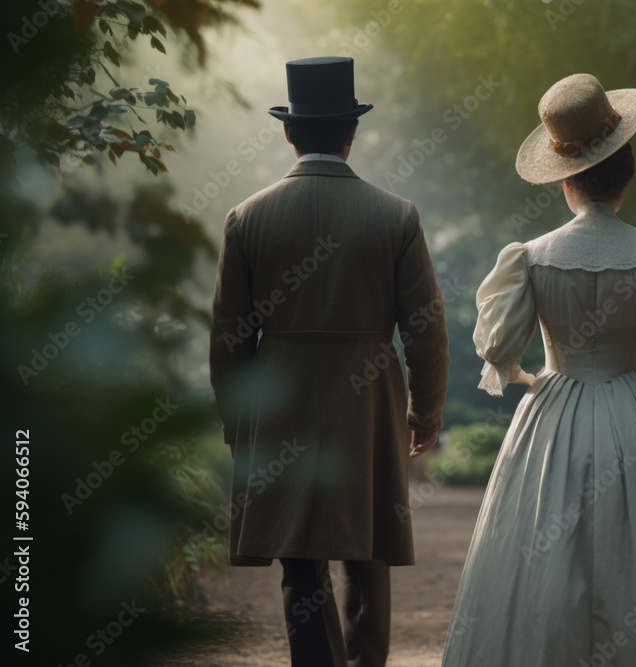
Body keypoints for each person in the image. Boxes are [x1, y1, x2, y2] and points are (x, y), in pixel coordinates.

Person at [440, 73, 636, 665]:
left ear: (564, 182)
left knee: (539, 558)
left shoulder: (529, 259)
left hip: (552, 415)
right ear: (625, 176)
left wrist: (544, 381)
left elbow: (500, 353)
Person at [209, 56, 450, 667]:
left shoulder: (246, 217)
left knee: (299, 559)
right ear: (352, 132)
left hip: (281, 404)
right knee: (368, 552)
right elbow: (425, 329)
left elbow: (229, 337)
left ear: (289, 132)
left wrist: (240, 426)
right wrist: (426, 411)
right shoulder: (396, 216)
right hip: (368, 402)